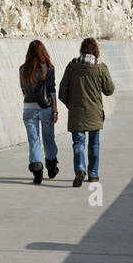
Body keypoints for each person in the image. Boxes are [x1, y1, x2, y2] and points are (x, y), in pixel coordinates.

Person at [57, 38, 115, 187]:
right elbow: (109, 90)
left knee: (78, 143)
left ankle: (80, 170)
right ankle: (93, 174)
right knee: (94, 144)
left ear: (81, 50)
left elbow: (62, 92)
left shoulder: (72, 66)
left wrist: (72, 105)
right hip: (94, 113)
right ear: (96, 51)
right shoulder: (101, 68)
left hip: (77, 113)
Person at [19, 40, 58, 185]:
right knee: (48, 139)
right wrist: (55, 111)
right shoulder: (48, 67)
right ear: (43, 52)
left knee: (33, 141)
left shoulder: (22, 69)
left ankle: (37, 170)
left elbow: (23, 89)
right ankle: (52, 165)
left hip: (28, 108)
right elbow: (52, 90)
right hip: (46, 108)